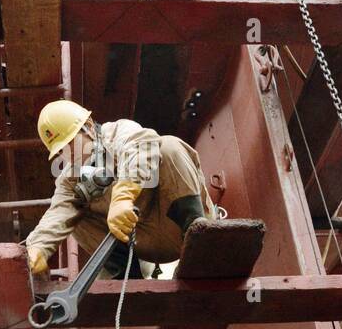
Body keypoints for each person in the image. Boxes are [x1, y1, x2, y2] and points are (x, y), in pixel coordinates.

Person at [25, 100, 214, 278]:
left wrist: (123, 196)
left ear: (89, 127)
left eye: (70, 143)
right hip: (147, 244)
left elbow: (142, 146)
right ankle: (125, 278)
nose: (68, 154)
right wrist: (37, 248)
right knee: (75, 213)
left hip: (176, 224)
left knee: (169, 146)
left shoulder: (118, 132)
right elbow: (58, 212)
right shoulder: (70, 179)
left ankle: (197, 233)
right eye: (60, 151)